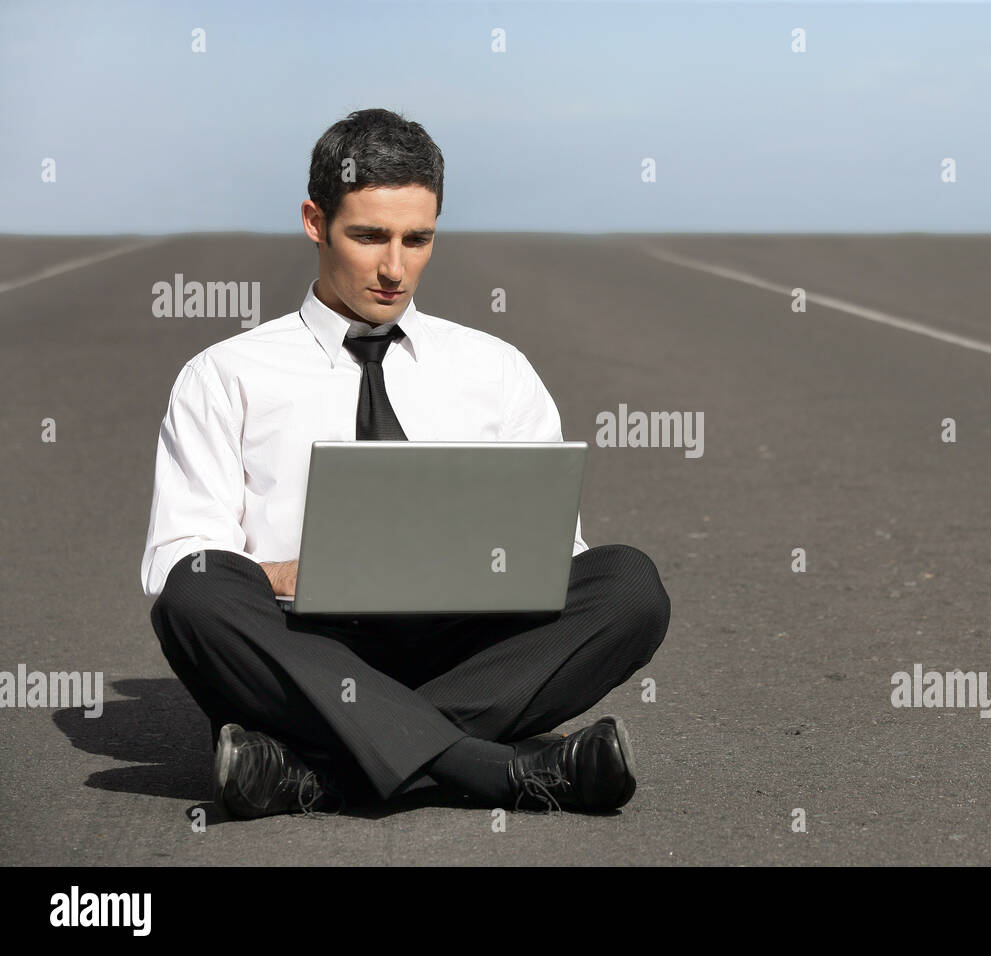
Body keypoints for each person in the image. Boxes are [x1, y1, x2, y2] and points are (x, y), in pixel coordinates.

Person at [141, 108, 670, 820]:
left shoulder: (496, 369)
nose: (395, 267)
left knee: (628, 585)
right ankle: (506, 770)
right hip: (307, 650)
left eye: (417, 239)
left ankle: (314, 771)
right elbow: (182, 563)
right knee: (197, 598)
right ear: (314, 221)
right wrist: (306, 572)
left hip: (467, 651)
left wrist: (490, 566)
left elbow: (558, 554)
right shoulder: (224, 374)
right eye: (368, 236)